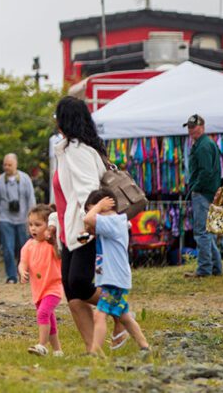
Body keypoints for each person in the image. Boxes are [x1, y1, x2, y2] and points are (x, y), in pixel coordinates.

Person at [50, 96, 108, 349]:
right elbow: (62, 194)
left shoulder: (78, 151)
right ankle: (93, 351)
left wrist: (89, 222)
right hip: (67, 230)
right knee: (73, 296)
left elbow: (88, 191)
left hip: (83, 229)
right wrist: (54, 221)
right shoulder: (64, 151)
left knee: (81, 284)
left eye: (57, 116)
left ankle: (121, 310)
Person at [83, 188, 150, 354]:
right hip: (114, 278)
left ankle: (95, 351)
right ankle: (145, 347)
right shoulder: (113, 223)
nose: (92, 214)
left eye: (93, 208)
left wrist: (97, 207)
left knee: (99, 315)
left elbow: (88, 218)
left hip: (115, 279)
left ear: (106, 205)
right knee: (124, 316)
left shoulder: (113, 221)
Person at [19, 204, 63, 357]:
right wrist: (22, 271)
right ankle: (57, 350)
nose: (33, 228)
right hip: (38, 291)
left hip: (53, 288)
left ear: (49, 226)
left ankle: (42, 345)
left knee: (43, 314)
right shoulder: (28, 246)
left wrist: (54, 240)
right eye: (31, 225)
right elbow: (22, 262)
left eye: (38, 225)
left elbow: (59, 255)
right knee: (49, 320)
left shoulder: (52, 244)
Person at [184, 114, 223, 278]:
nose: (191, 130)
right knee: (207, 232)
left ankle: (204, 269)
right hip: (208, 192)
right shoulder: (205, 143)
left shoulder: (203, 146)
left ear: (202, 126)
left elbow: (206, 172)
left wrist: (195, 187)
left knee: (201, 232)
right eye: (189, 127)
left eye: (194, 127)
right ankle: (215, 267)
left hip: (203, 193)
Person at [0, 153, 36, 284]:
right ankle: (11, 275)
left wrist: (31, 219)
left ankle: (24, 274)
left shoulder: (25, 178)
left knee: (24, 248)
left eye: (9, 164)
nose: (7, 167)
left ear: (16, 164)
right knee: (8, 248)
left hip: (23, 219)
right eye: (5, 164)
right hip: (5, 218)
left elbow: (31, 199)